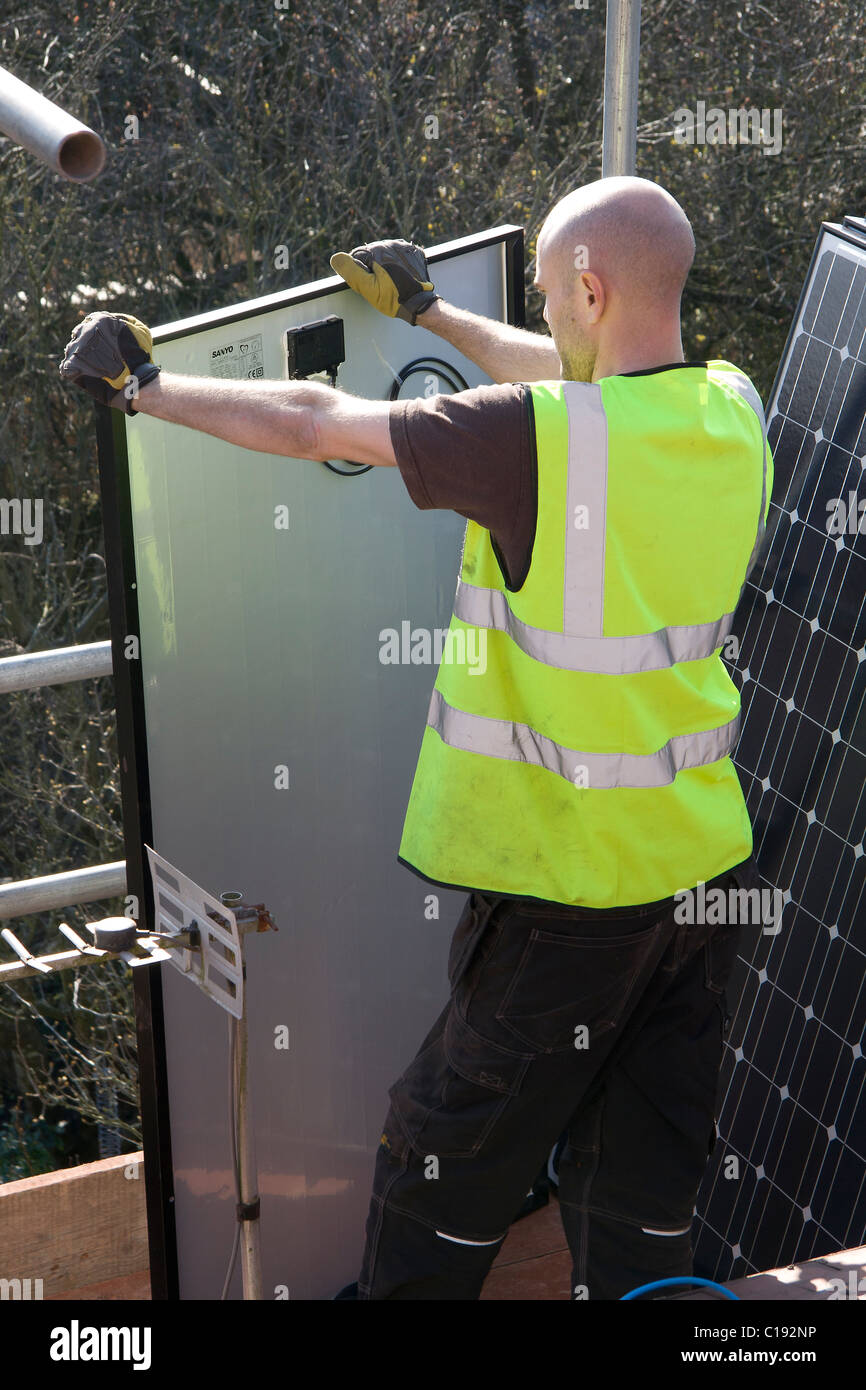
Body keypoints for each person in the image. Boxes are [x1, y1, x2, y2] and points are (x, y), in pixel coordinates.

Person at [60, 175, 771, 1301]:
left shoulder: (539, 445)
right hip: (697, 879)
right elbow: (578, 381)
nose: (541, 319)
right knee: (636, 1182)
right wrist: (433, 314)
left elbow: (312, 424)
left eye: (547, 296)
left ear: (585, 290)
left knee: (437, 1163)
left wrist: (143, 387)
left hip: (567, 893)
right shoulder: (729, 407)